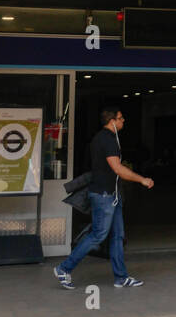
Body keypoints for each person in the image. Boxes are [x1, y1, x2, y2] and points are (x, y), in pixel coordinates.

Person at [54, 108, 154, 290]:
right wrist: (142, 179)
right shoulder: (107, 140)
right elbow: (117, 169)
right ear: (112, 121)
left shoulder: (103, 138)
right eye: (121, 118)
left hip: (111, 195)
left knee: (117, 236)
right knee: (98, 235)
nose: (124, 121)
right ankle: (64, 268)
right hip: (104, 196)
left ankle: (121, 277)